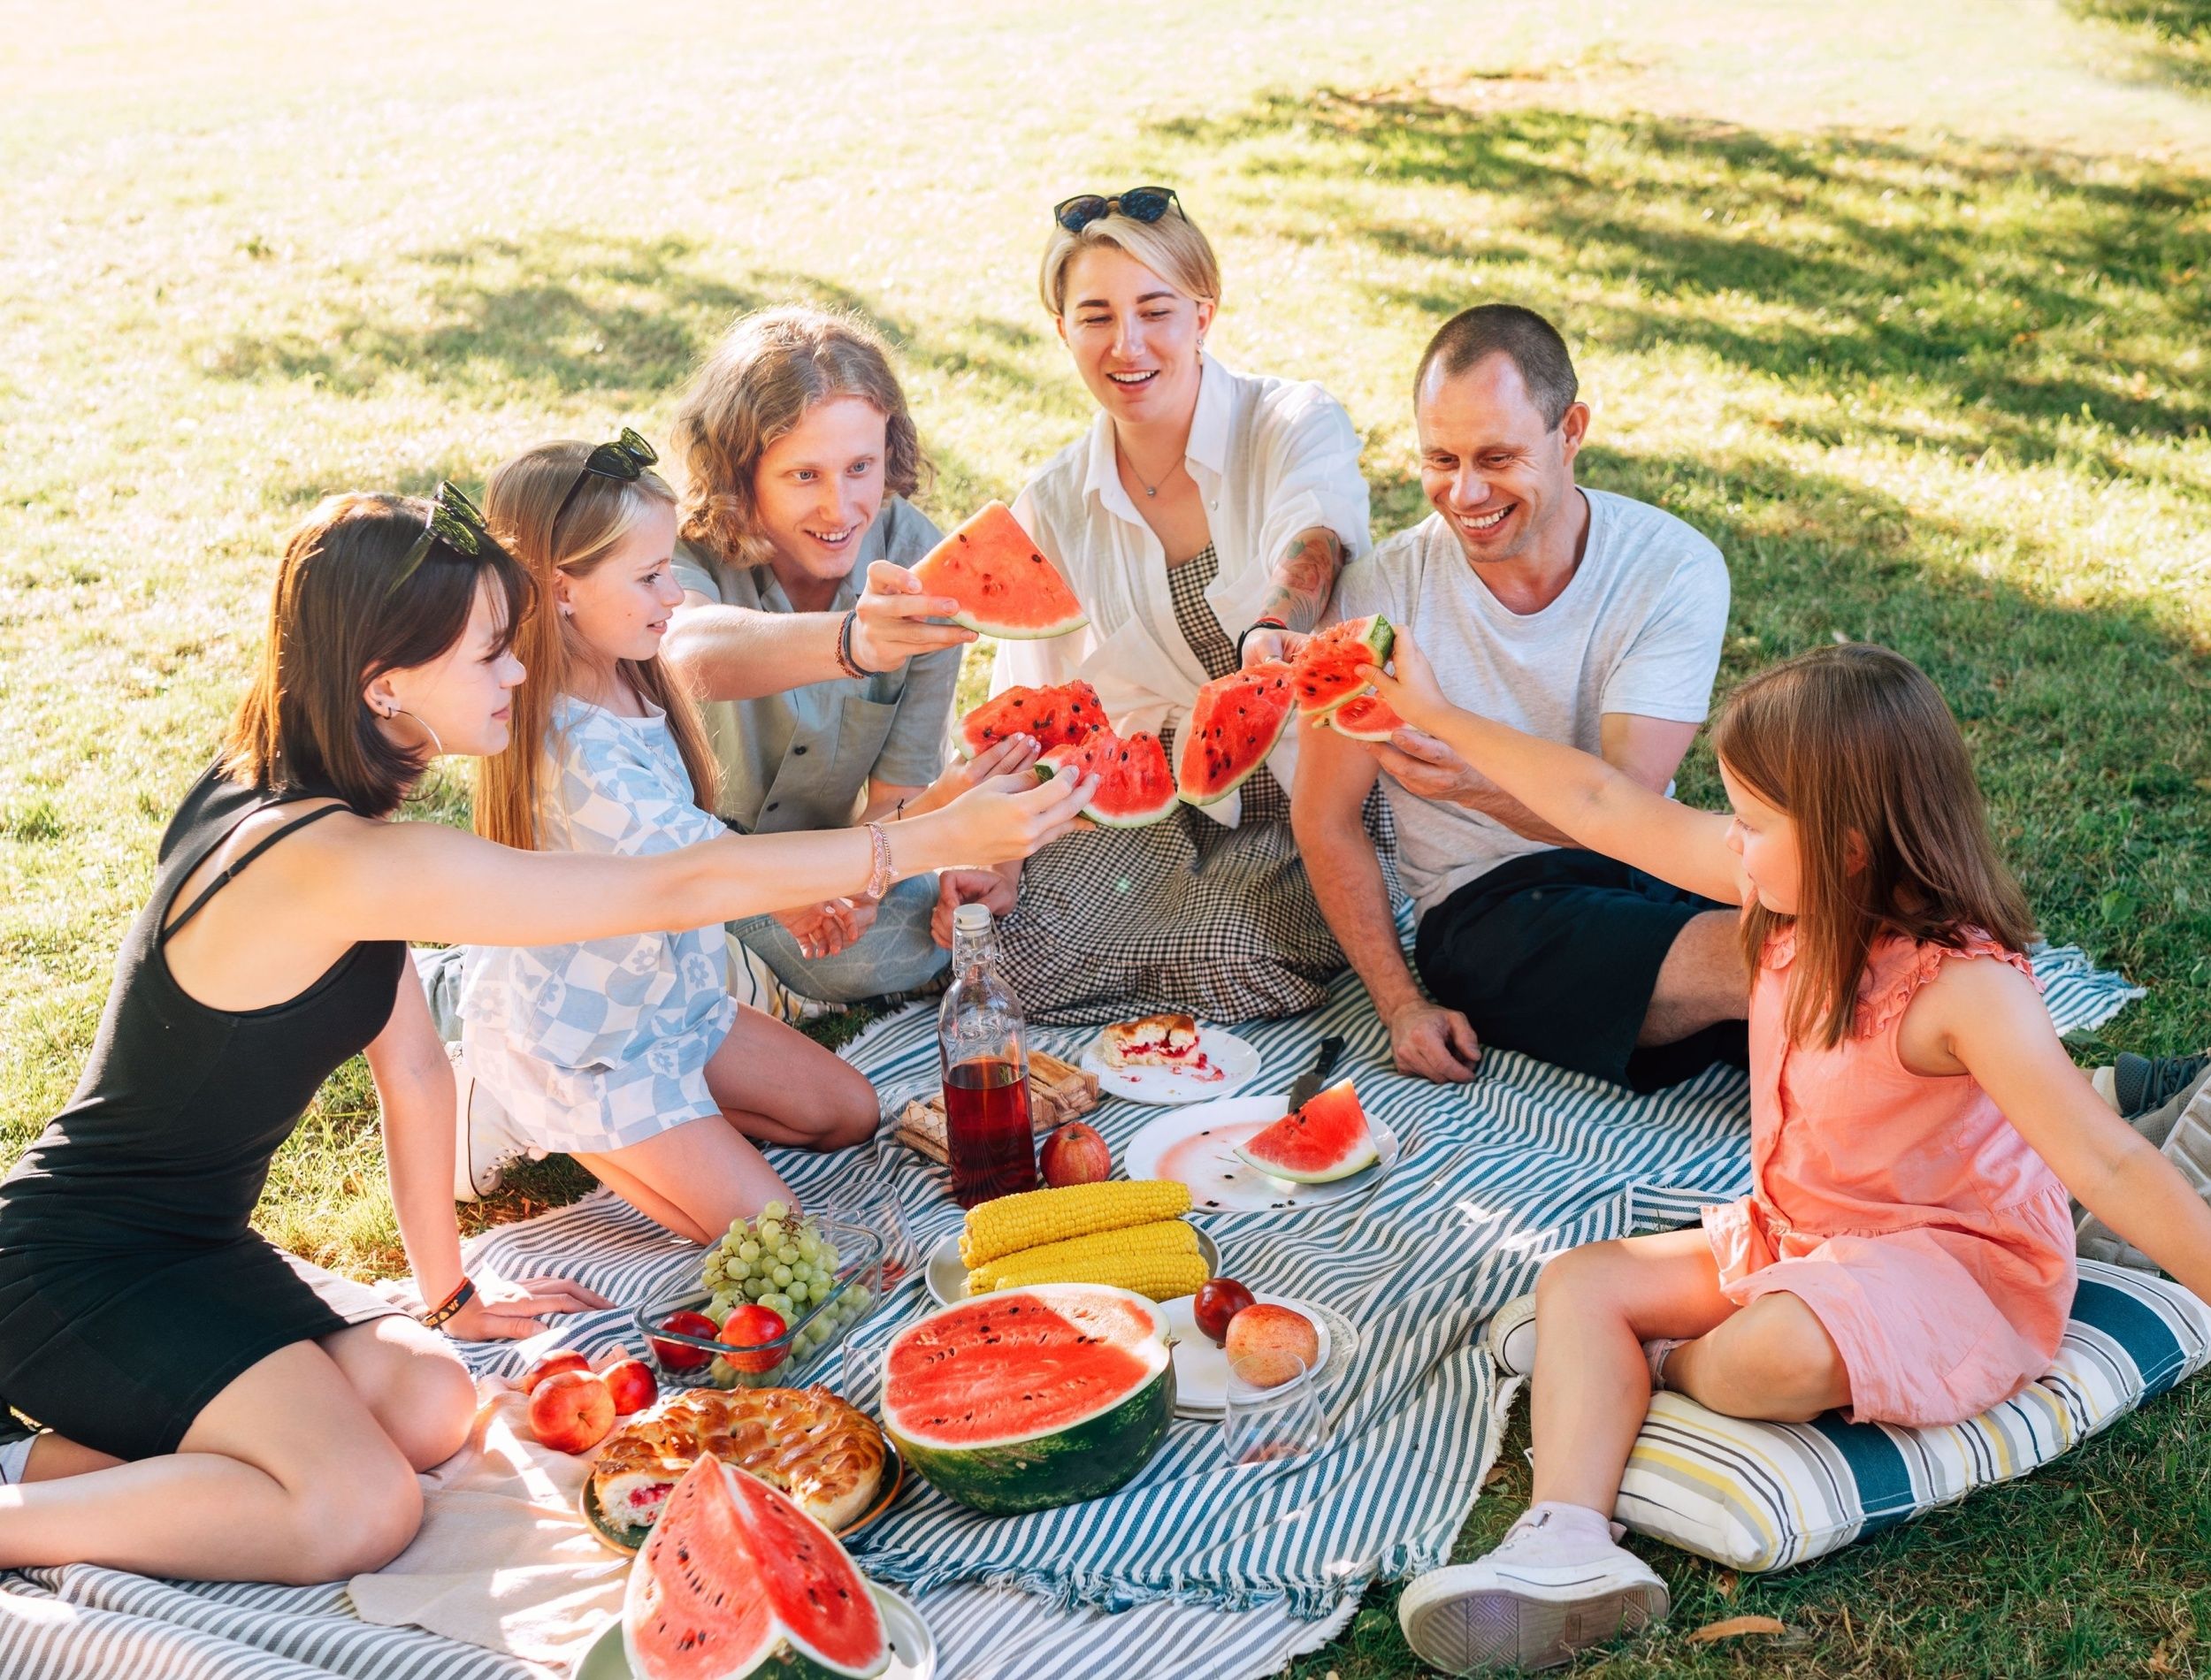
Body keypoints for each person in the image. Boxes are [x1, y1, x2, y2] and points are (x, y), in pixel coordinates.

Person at [0, 489, 1089, 1585]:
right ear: (384, 682)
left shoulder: (329, 807)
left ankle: (85, 1463)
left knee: (431, 1406)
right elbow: (675, 885)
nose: (519, 670)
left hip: (195, 1248)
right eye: (487, 654)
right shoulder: (321, 859)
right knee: (360, 1510)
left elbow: (419, 1071)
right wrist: (921, 840)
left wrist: (453, 1291)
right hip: (75, 1269)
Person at [1366, 637, 2211, 1674]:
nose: (1734, 844)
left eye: (1754, 822)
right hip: (1799, 1235)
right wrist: (1433, 711)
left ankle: (1668, 1368)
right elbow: (1595, 803)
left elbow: (2111, 1167)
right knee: (1576, 1283)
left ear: (1851, 846)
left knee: (1777, 1353)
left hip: (1950, 1264)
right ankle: (1568, 1543)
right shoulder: (1787, 903)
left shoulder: (1964, 989)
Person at [455, 434, 1043, 1243]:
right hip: (594, 1046)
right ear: (562, 590)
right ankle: (534, 1107)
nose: (675, 594)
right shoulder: (574, 751)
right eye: (652, 576)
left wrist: (912, 821)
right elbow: (715, 871)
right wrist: (939, 827)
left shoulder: (633, 666)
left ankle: (671, 1130)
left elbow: (708, 853)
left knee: (849, 1114)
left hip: (675, 1002)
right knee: (778, 1237)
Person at [935, 187, 1373, 1021]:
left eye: (1156, 311)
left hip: (1313, 789)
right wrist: (1004, 850)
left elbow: (1314, 535)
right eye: (1095, 316)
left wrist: (1273, 629)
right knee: (1009, 950)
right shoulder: (1057, 500)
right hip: (1160, 801)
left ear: (1203, 316)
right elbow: (1036, 706)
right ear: (1063, 329)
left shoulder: (1289, 421)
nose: (1126, 345)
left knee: (1228, 954)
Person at [1293, 303, 1744, 1090]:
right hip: (1486, 910)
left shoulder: (1673, 568)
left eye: (1497, 457)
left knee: (1839, 953)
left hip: (1645, 859)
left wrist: (1473, 785)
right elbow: (1325, 819)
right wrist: (1400, 1005)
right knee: (1770, 961)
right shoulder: (1383, 592)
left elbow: (1626, 810)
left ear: (1570, 431)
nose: (1465, 493)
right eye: (1440, 458)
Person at [661, 306, 984, 1003]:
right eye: (804, 476)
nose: (841, 509)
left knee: (908, 943)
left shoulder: (916, 560)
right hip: (679, 856)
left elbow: (897, 798)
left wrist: (865, 886)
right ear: (739, 473)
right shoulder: (675, 547)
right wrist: (853, 645)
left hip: (824, 864)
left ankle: (725, 975)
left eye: (860, 467)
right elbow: (686, 649)